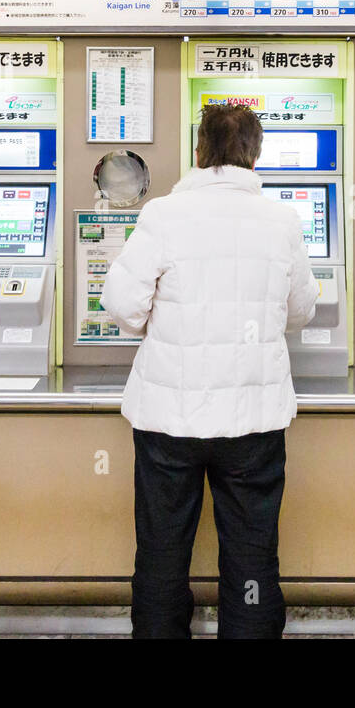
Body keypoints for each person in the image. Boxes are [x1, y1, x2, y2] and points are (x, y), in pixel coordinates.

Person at [101, 103, 319, 639]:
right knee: (251, 556)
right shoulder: (281, 219)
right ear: (255, 152)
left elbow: (123, 307)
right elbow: (301, 311)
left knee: (162, 550)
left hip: (169, 421)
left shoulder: (164, 215)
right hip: (252, 422)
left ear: (200, 150)